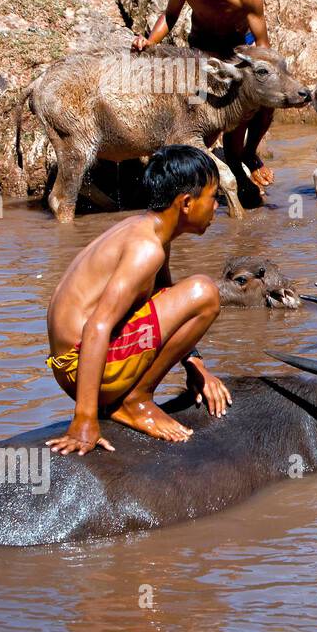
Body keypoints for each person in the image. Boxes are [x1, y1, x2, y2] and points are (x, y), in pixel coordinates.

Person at [44, 145, 232, 456]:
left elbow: (168, 302)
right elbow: (97, 325)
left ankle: (128, 396)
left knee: (190, 294)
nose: (217, 207)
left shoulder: (149, 230)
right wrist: (85, 420)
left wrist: (195, 365)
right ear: (186, 203)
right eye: (214, 197)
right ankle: (135, 400)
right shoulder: (147, 250)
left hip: (72, 364)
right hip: (83, 366)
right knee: (206, 292)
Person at [132, 0, 276, 200]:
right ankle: (206, 172)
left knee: (255, 109)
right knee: (198, 108)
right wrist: (150, 41)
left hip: (239, 50)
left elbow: (263, 45)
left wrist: (258, 80)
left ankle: (247, 155)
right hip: (203, 54)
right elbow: (170, 16)